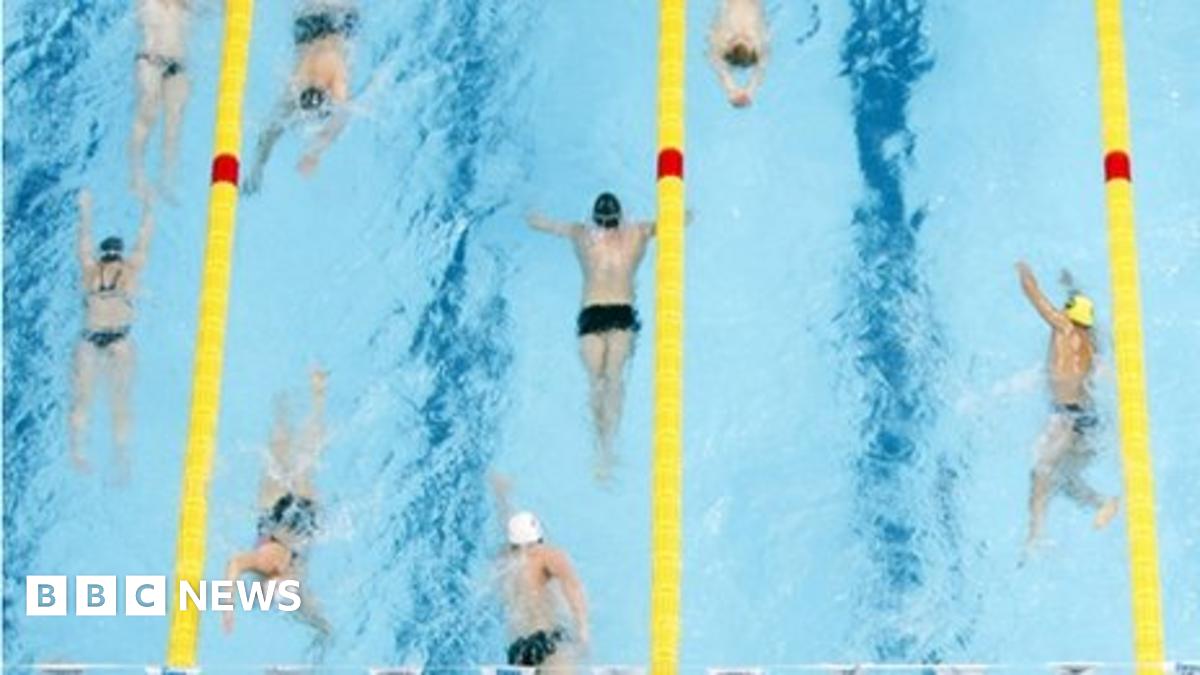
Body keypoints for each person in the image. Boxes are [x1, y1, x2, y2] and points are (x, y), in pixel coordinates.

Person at [527, 193, 660, 480]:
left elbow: (543, 224)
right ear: (621, 216)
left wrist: (530, 214)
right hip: (610, 313)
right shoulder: (637, 231)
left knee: (603, 379)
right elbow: (677, 222)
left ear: (595, 218)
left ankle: (605, 449)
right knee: (606, 380)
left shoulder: (584, 233)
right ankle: (604, 450)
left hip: (603, 313)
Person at [1017, 262, 1120, 549]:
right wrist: (1071, 284)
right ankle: (1104, 502)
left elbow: (1035, 296)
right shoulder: (1092, 341)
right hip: (1086, 417)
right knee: (1063, 478)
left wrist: (1023, 270)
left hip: (1067, 417)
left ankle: (1035, 536)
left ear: (1068, 315)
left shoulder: (1062, 327)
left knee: (1041, 470)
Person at [223, 368, 332, 637]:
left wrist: (227, 607)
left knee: (278, 450)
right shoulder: (298, 585)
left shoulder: (264, 562)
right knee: (307, 457)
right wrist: (324, 631)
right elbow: (309, 611)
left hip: (272, 514)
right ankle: (318, 399)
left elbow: (235, 563)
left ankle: (284, 407)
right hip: (304, 515)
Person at [69, 190, 154, 479]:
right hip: (120, 340)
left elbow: (82, 242)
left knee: (82, 400)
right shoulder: (130, 270)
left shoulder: (90, 270)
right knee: (120, 400)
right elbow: (145, 241)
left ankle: (78, 452)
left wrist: (86, 209)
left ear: (102, 254)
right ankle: (122, 458)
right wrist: (148, 209)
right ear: (120, 253)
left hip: (90, 341)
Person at [243, 1, 358, 194]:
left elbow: (270, 132)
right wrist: (313, 154)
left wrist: (257, 170)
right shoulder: (325, 77)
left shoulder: (305, 82)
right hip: (312, 23)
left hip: (328, 22)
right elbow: (341, 118)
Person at [490, 475, 589, 670]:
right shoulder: (547, 555)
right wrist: (583, 628)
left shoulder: (504, 559)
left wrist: (502, 498)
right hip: (547, 639)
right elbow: (573, 587)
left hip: (517, 648)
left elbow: (510, 529)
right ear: (539, 536)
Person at [130, 0, 191, 198]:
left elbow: (218, 13)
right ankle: (136, 176)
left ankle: (167, 181)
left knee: (174, 126)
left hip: (178, 66)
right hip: (150, 61)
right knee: (147, 116)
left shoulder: (189, 6)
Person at [707, 0, 769, 107]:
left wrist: (731, 89)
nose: (741, 38)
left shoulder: (726, 37)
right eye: (747, 40)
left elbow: (715, 60)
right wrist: (749, 90)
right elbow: (762, 64)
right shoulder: (755, 39)